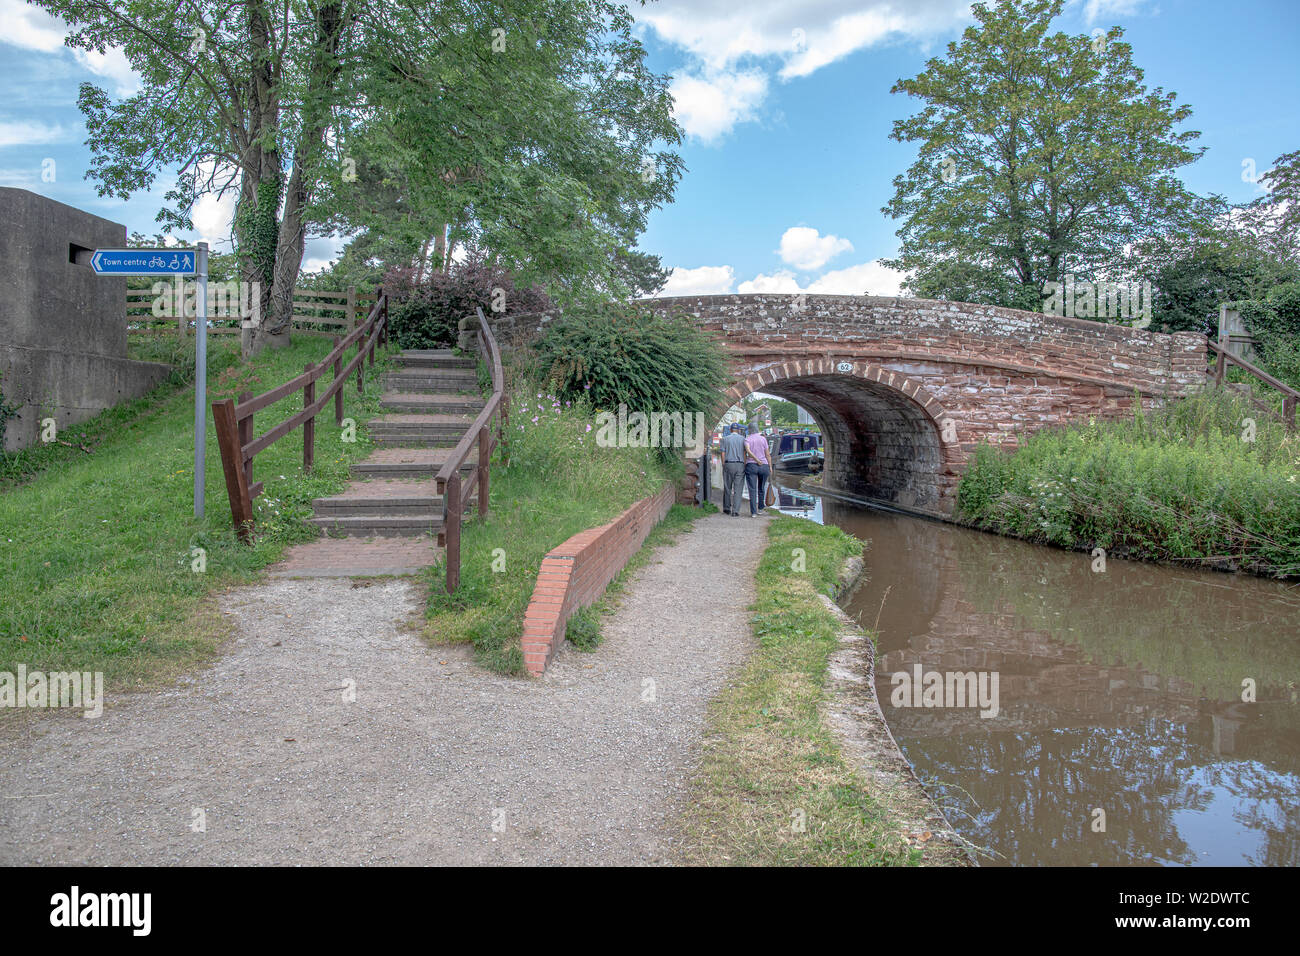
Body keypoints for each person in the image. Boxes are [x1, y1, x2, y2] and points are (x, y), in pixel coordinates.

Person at [743, 423, 772, 517]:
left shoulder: (747, 439)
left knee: (752, 489)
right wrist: (770, 466)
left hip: (751, 466)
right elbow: (767, 454)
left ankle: (753, 512)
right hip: (764, 466)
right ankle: (760, 508)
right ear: (757, 429)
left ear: (749, 430)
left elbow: (747, 451)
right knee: (761, 488)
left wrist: (755, 460)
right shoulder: (763, 439)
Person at [720, 423, 747, 517]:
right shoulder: (743, 439)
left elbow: (723, 453)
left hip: (728, 463)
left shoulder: (724, 439)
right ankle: (735, 511)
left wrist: (724, 464)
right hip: (740, 464)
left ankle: (726, 508)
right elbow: (744, 453)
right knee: (738, 489)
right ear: (738, 430)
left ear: (731, 430)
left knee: (727, 487)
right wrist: (744, 464)